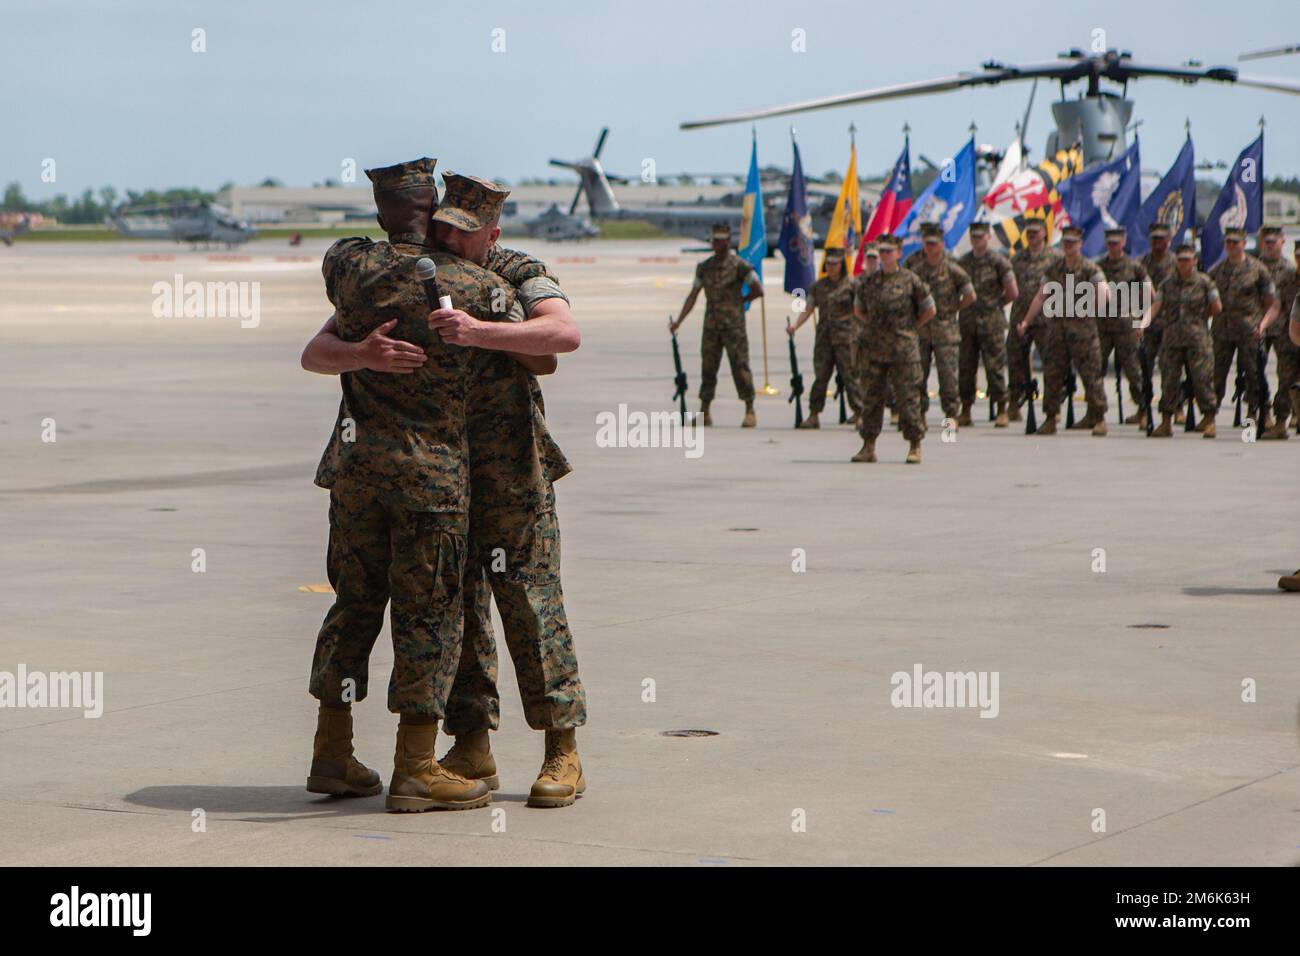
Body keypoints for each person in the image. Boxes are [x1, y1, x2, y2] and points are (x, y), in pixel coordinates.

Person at [304, 161, 587, 810]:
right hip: (442, 476)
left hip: (510, 467)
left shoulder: (515, 270)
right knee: (453, 613)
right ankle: (471, 743)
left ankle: (562, 752)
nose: (449, 240)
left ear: (490, 232)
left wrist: (479, 331)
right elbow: (320, 348)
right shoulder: (412, 272)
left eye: (463, 231)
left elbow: (558, 338)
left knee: (530, 604)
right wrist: (362, 353)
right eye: (442, 228)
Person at [1018, 225, 1110, 435]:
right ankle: (1051, 418)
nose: (1069, 246)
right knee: (1052, 373)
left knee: (1091, 375)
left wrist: (1086, 310)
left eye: (1073, 242)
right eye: (1066, 242)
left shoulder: (1089, 268)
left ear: (1080, 244)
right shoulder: (1054, 269)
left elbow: (1105, 295)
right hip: (1057, 330)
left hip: (1083, 332)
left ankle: (1098, 418)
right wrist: (1026, 321)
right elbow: (1041, 296)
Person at [851, 234, 934, 463]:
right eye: (882, 251)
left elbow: (929, 310)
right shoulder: (869, 282)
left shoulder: (911, 281)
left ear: (898, 253)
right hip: (875, 350)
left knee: (908, 399)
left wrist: (910, 328)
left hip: (903, 350)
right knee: (872, 398)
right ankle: (868, 446)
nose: (884, 255)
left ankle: (914, 445)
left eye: (889, 251)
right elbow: (858, 310)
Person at [670, 222, 763, 427]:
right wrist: (678, 321)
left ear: (728, 242)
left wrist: (740, 302)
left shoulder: (740, 266)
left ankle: (749, 409)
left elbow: (758, 289)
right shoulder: (705, 267)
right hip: (711, 327)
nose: (716, 244)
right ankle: (705, 411)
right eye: (714, 240)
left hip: (734, 327)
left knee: (740, 367)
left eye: (720, 241)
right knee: (708, 368)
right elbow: (693, 295)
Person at [1138, 243, 1220, 438]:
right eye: (1180, 260)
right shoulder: (1167, 284)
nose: (1183, 263)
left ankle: (1209, 420)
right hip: (1172, 340)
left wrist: (1199, 319)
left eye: (1187, 259)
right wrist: (1143, 324)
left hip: (1197, 339)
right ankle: (1166, 421)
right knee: (1169, 380)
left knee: (1202, 379)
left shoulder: (1204, 282)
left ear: (1194, 261)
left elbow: (1216, 307)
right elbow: (1156, 306)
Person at [903, 222, 975, 426]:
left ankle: (951, 417)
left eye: (934, 244)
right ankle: (920, 415)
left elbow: (970, 294)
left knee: (948, 378)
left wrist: (955, 309)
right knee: (919, 376)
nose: (930, 248)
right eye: (927, 244)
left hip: (946, 332)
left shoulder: (953, 269)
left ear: (942, 244)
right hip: (922, 332)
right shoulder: (916, 270)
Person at [1208, 226, 1278, 431]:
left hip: (1250, 331)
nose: (1231, 246)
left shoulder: (1258, 269)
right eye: (1228, 242)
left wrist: (1262, 325)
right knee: (1217, 373)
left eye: (1235, 243)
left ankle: (1258, 413)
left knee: (1254, 373)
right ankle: (1210, 414)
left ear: (1244, 244)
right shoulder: (1217, 270)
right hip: (1222, 331)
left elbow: (1270, 302)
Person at [788, 246, 862, 428]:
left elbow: (862, 310)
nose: (831, 267)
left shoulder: (852, 285)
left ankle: (860, 412)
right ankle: (814, 414)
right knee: (821, 377)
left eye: (835, 264)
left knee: (850, 377)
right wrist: (795, 325)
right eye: (828, 264)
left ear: (841, 265)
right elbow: (809, 308)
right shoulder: (818, 286)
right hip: (824, 340)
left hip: (846, 340)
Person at [957, 222, 1017, 427]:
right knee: (966, 367)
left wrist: (996, 305)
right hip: (967, 323)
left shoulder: (998, 261)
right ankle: (965, 409)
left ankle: (1002, 409)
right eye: (974, 237)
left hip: (991, 323)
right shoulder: (963, 262)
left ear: (988, 237)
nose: (977, 240)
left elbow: (1012, 292)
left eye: (981, 237)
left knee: (994, 367)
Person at [1095, 226, 1151, 426]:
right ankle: (1096, 412)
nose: (1113, 247)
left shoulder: (1134, 267)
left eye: (1116, 243)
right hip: (1102, 325)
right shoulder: (1099, 266)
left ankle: (1144, 410)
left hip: (1126, 326)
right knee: (1095, 368)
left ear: (1123, 242)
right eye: (1109, 243)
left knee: (1134, 370)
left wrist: (1141, 318)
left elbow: (1150, 293)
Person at [1006, 220, 1060, 422]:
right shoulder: (1017, 259)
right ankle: (1014, 403)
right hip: (1020, 317)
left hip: (1047, 319)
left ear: (1044, 233)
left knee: (1051, 364)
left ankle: (1052, 410)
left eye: (1035, 232)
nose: (1031, 236)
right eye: (1029, 232)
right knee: (1015, 361)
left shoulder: (1056, 258)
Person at [1255, 226, 1297, 440]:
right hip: (1146, 327)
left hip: (1284, 330)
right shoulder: (1138, 263)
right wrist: (1137, 322)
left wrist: (1137, 319)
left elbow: (1140, 290)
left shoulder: (1289, 270)